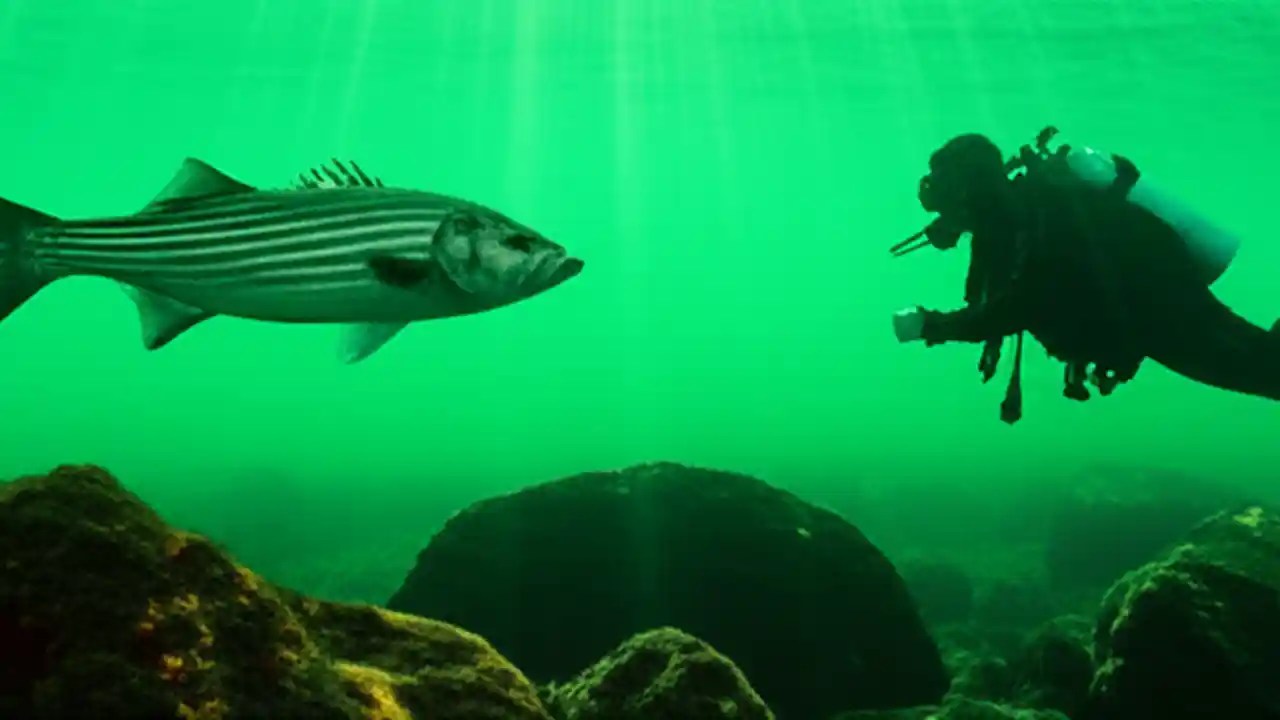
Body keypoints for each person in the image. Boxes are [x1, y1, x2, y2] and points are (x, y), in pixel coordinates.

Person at [890, 128, 1278, 423]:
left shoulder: (1044, 220)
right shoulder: (1013, 220)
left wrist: (930, 326)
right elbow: (988, 300)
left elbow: (1013, 309)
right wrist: (959, 227)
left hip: (1157, 306)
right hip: (1149, 304)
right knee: (1263, 365)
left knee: (1265, 371)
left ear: (968, 192)